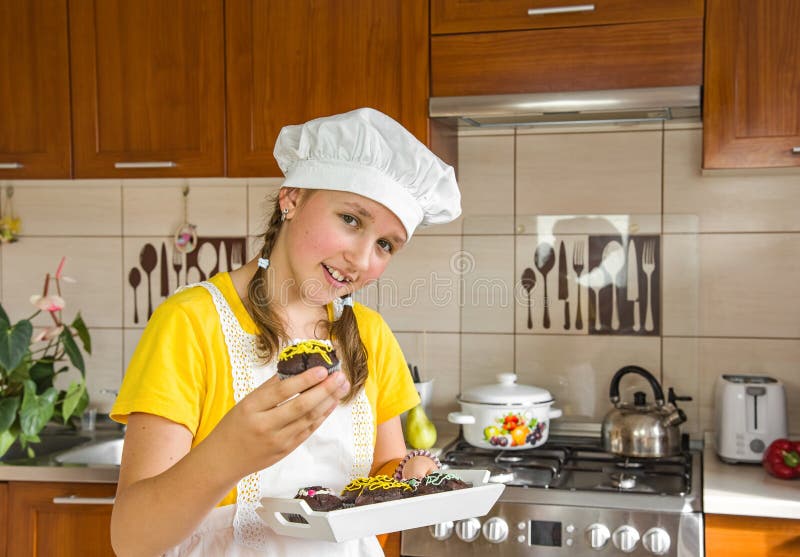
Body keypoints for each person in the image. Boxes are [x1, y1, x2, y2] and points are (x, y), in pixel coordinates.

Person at [109, 107, 461, 556]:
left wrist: (411, 472)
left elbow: (383, 479)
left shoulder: (369, 335)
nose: (361, 258)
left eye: (385, 245)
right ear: (291, 197)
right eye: (351, 220)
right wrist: (227, 456)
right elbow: (131, 539)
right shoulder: (190, 322)